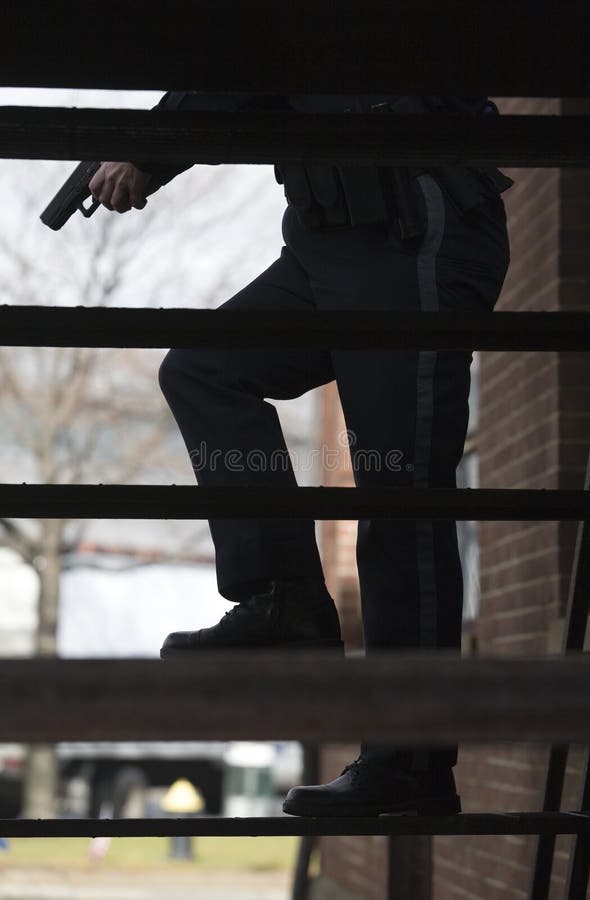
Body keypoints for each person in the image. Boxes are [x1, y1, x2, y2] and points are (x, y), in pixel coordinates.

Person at [90, 91, 512, 817]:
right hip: (327, 239)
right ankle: (285, 600)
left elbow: (253, 59)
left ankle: (409, 765)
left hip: (407, 220)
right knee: (203, 369)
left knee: (399, 493)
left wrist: (147, 153)